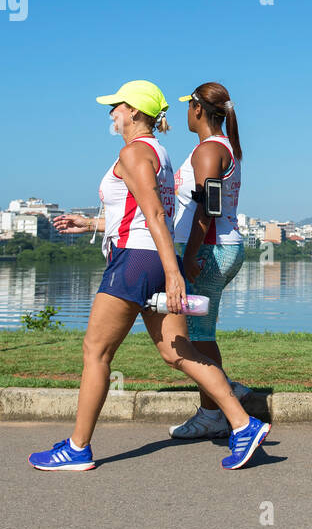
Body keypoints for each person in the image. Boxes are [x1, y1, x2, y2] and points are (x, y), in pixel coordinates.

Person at [33, 80, 269, 471]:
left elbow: (157, 216)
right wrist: (91, 223)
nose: (112, 113)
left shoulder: (135, 152)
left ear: (135, 112)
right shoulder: (161, 153)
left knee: (96, 351)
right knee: (178, 350)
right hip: (154, 257)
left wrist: (177, 271)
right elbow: (144, 210)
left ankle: (77, 448)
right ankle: (243, 424)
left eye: (118, 106)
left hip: (136, 260)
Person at [168, 82, 250, 440]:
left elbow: (208, 208)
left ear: (198, 109)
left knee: (197, 334)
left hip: (209, 249)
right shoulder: (219, 148)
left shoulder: (209, 151)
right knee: (200, 331)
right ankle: (223, 391)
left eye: (188, 106)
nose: (185, 112)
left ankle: (214, 411)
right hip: (217, 246)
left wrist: (187, 257)